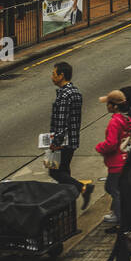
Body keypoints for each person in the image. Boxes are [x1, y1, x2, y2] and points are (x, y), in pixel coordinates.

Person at [47, 62, 93, 206]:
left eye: (54, 74)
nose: (52, 77)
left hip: (63, 143)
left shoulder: (64, 95)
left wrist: (55, 144)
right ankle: (68, 204)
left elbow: (61, 122)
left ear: (61, 76)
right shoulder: (75, 91)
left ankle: (83, 188)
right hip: (72, 140)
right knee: (64, 171)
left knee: (55, 172)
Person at [95, 90, 131, 226]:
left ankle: (121, 218)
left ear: (115, 106)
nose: (107, 106)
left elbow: (111, 143)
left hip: (116, 163)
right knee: (115, 188)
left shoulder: (114, 122)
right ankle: (119, 213)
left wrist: (100, 147)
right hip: (125, 158)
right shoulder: (127, 118)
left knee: (113, 189)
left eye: (108, 104)